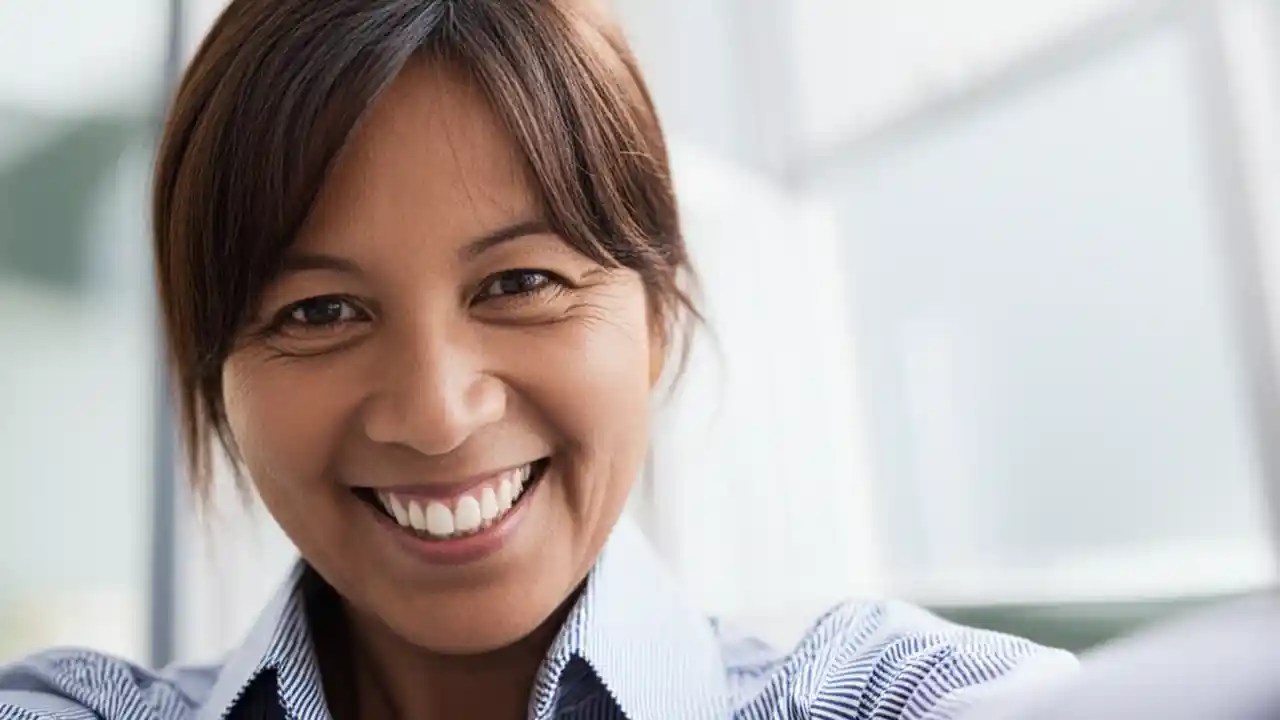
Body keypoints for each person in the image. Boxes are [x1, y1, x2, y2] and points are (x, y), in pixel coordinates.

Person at [0, 1, 1075, 718]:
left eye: (518, 284)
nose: (436, 413)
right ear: (215, 379)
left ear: (656, 313)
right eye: (320, 311)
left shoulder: (879, 695)